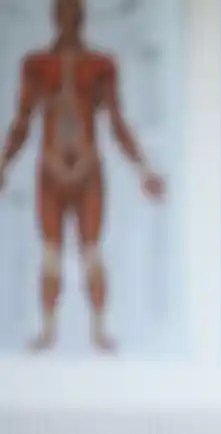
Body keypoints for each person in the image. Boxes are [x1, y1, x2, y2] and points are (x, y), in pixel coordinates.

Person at [0, 0, 166, 353]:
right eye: (64, 12)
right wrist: (4, 163)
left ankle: (99, 329)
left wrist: (144, 170)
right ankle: (48, 330)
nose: (70, 20)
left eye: (75, 13)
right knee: (51, 253)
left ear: (83, 17)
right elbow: (23, 121)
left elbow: (118, 123)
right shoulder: (37, 65)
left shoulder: (100, 66)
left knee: (91, 252)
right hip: (51, 170)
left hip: (88, 172)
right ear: (55, 17)